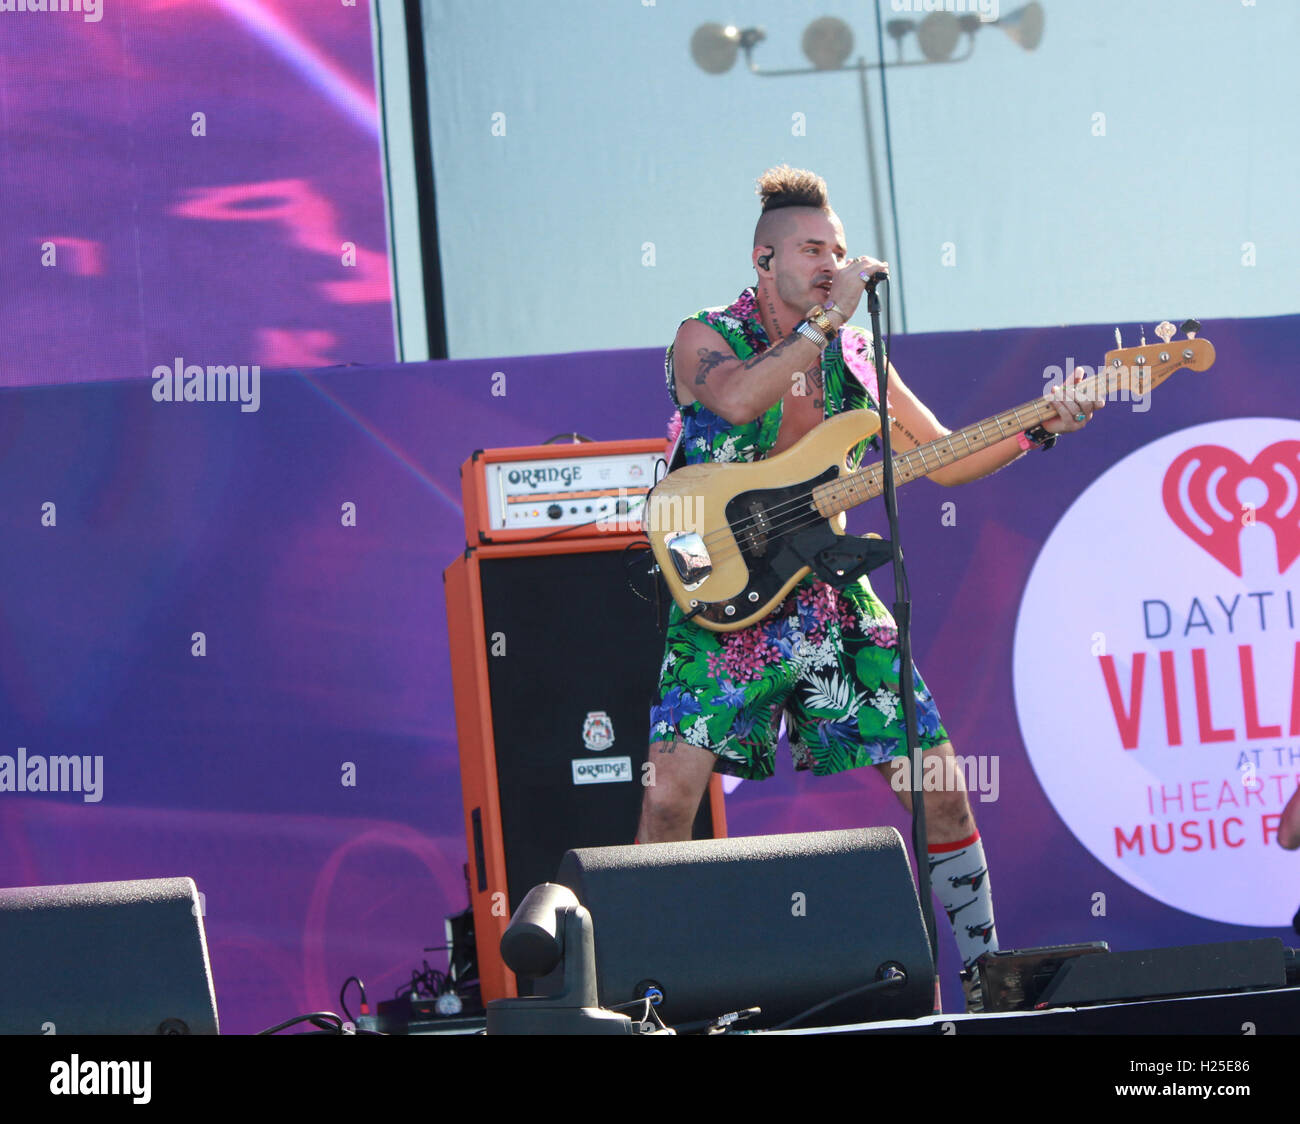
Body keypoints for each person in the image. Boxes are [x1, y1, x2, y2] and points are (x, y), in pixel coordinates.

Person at [637, 165, 1100, 1010]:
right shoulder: (704, 336)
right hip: (723, 603)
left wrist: (1041, 426)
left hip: (826, 599)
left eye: (839, 250)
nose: (830, 261)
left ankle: (986, 973)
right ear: (763, 257)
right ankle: (643, 998)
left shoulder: (856, 353)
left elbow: (947, 459)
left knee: (941, 786)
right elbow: (738, 404)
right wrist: (827, 317)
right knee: (668, 796)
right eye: (812, 248)